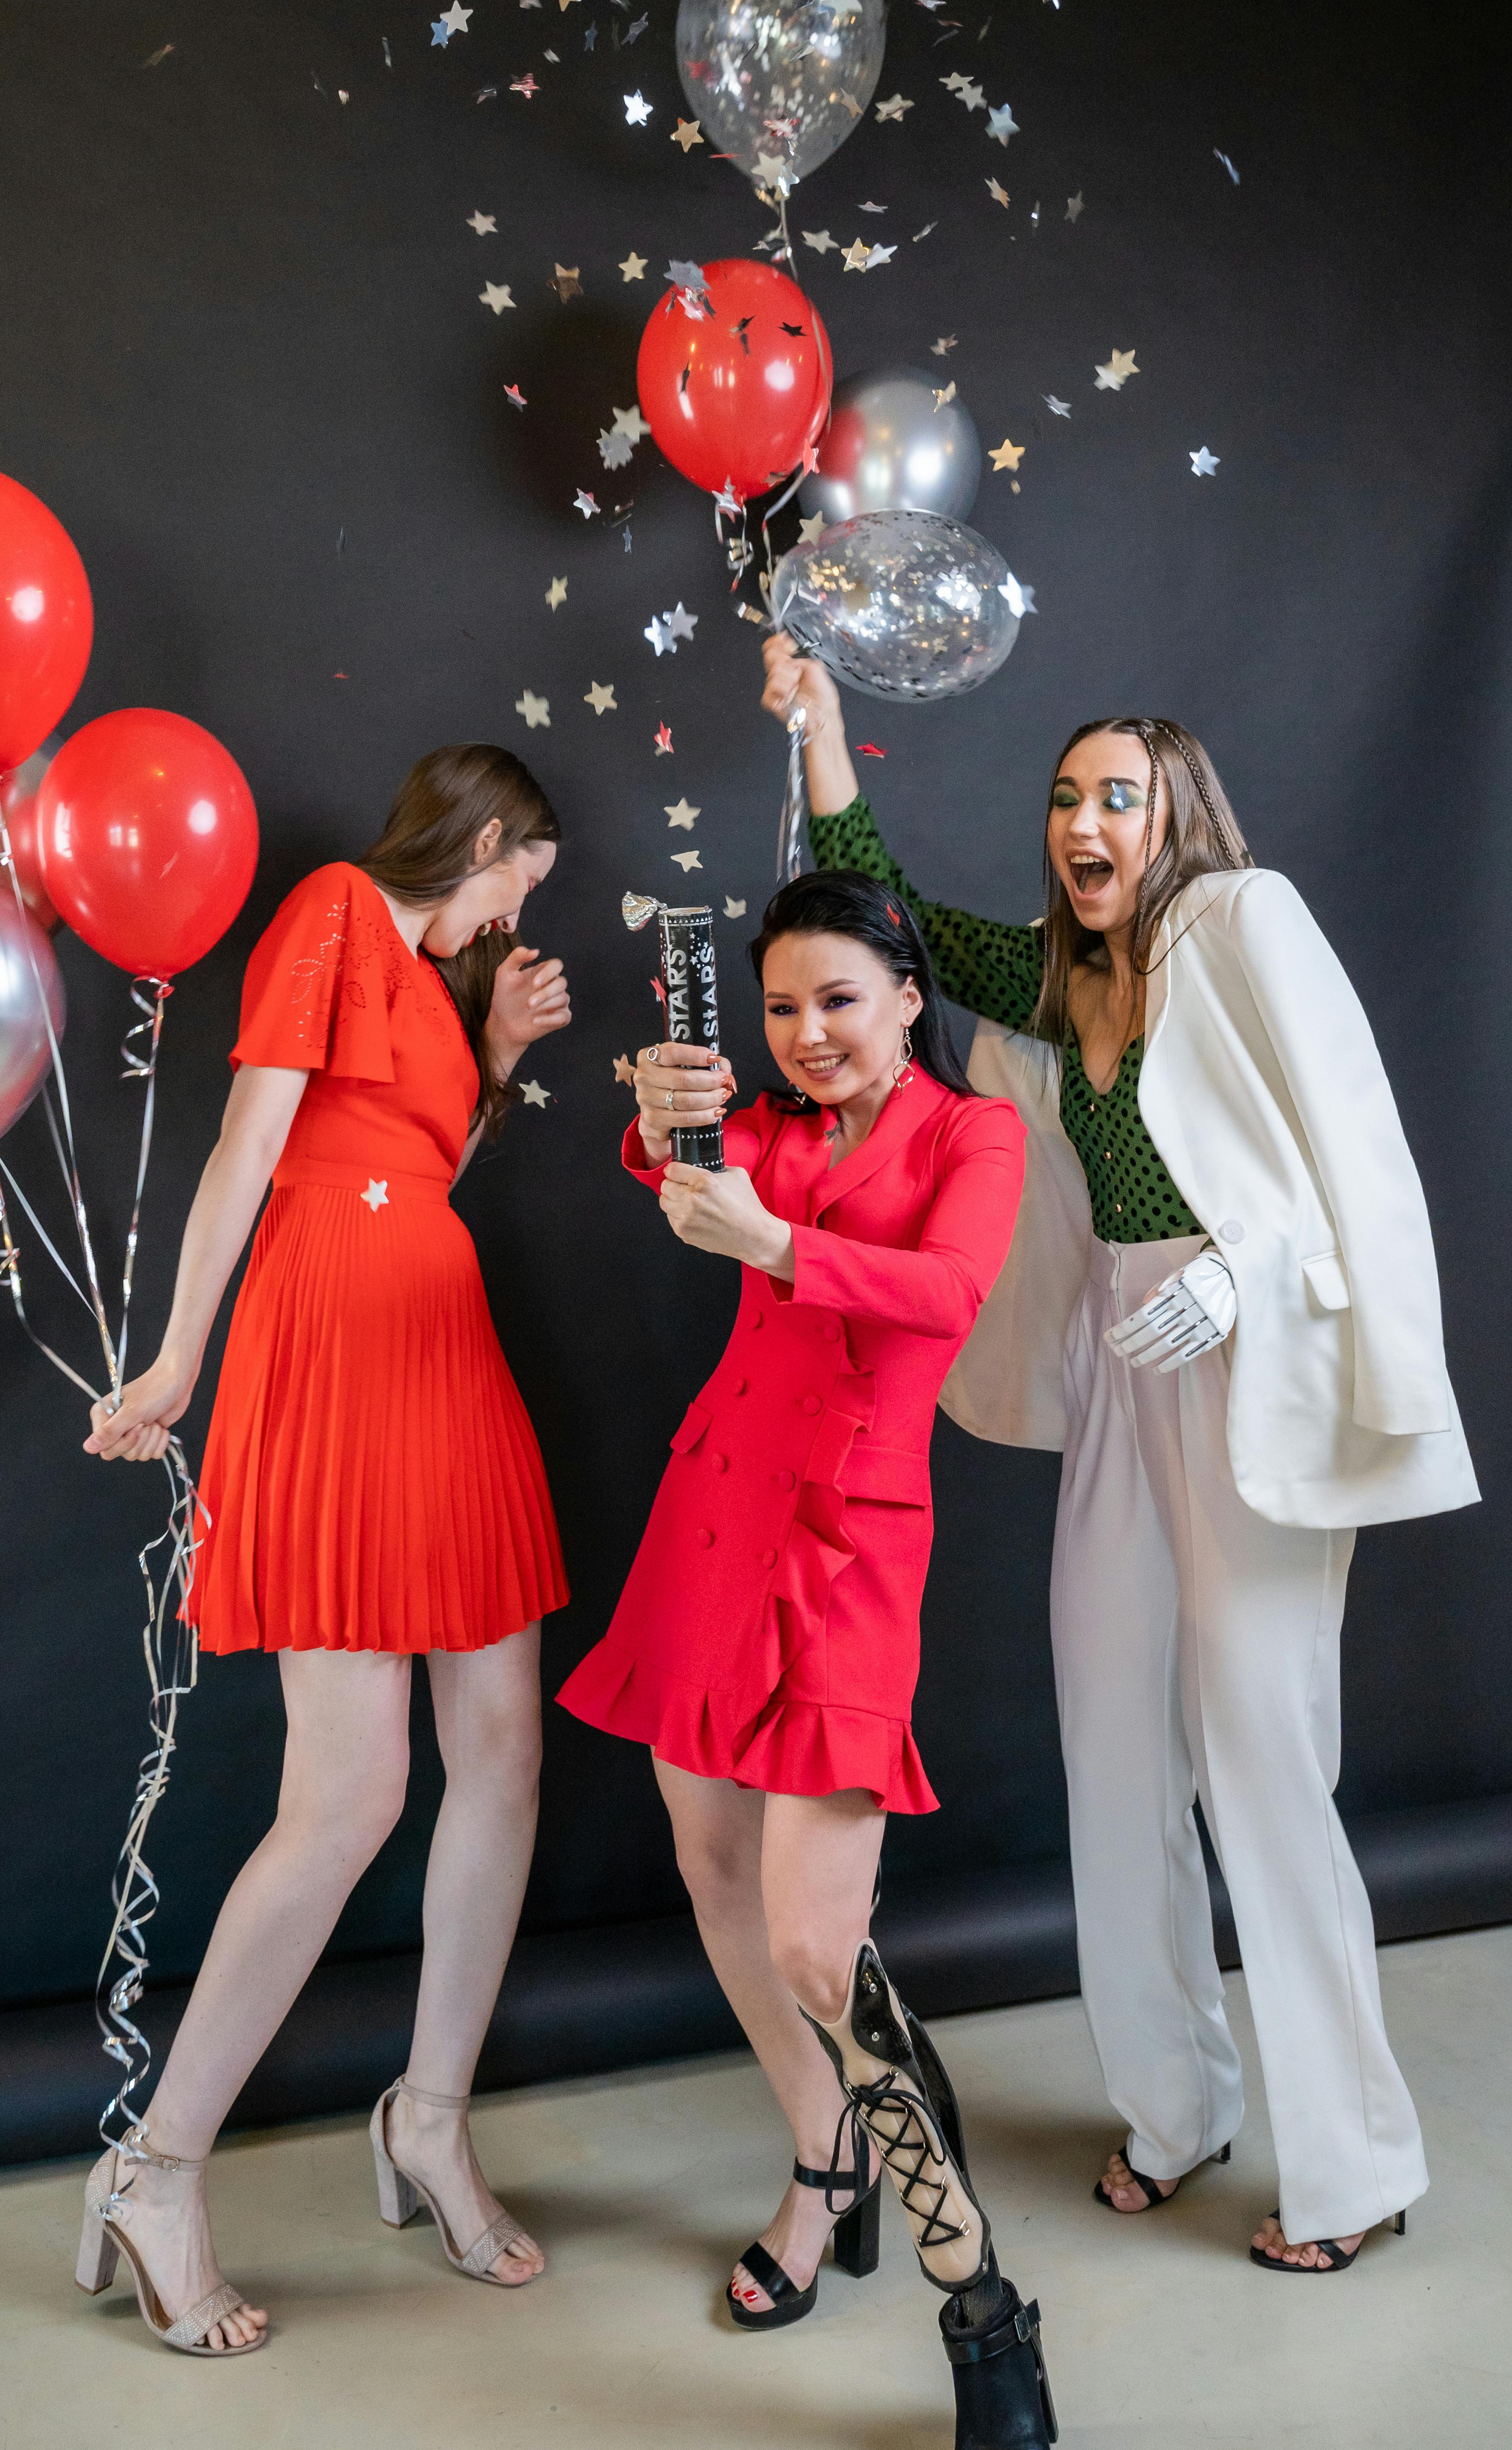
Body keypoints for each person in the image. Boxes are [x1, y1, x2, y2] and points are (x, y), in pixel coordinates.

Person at [762, 633, 1479, 2279]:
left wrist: (1249, 1261)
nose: (1083, 818)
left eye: (1118, 794)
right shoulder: (1056, 973)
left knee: (1263, 1761)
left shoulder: (1243, 920)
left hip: (1253, 1362)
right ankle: (1173, 2106)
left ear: (1178, 814)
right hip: (1121, 1370)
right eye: (1067, 794)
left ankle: (1355, 2164)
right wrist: (824, 728)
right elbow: (891, 921)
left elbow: (1352, 1137)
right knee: (1114, 1741)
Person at [75, 743, 572, 2355]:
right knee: (350, 1793)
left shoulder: (441, 990)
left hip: (445, 1350)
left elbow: (418, 1168)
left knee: (500, 1752)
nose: (513, 914)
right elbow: (255, 1150)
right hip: (336, 1357)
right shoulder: (341, 909)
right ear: (486, 840)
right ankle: (156, 2169)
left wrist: (490, 1059)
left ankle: (428, 2116)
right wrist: (174, 1360)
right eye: (519, 883)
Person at [559, 872, 1055, 2432]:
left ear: (909, 994)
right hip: (711, 1521)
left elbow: (950, 1293)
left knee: (815, 1948)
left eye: (839, 998)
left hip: (848, 1545)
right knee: (711, 1872)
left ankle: (983, 2302)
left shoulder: (975, 1132)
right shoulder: (766, 1125)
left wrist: (775, 1242)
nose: (810, 1031)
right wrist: (660, 1106)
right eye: (782, 1006)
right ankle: (818, 2153)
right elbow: (666, 1157)